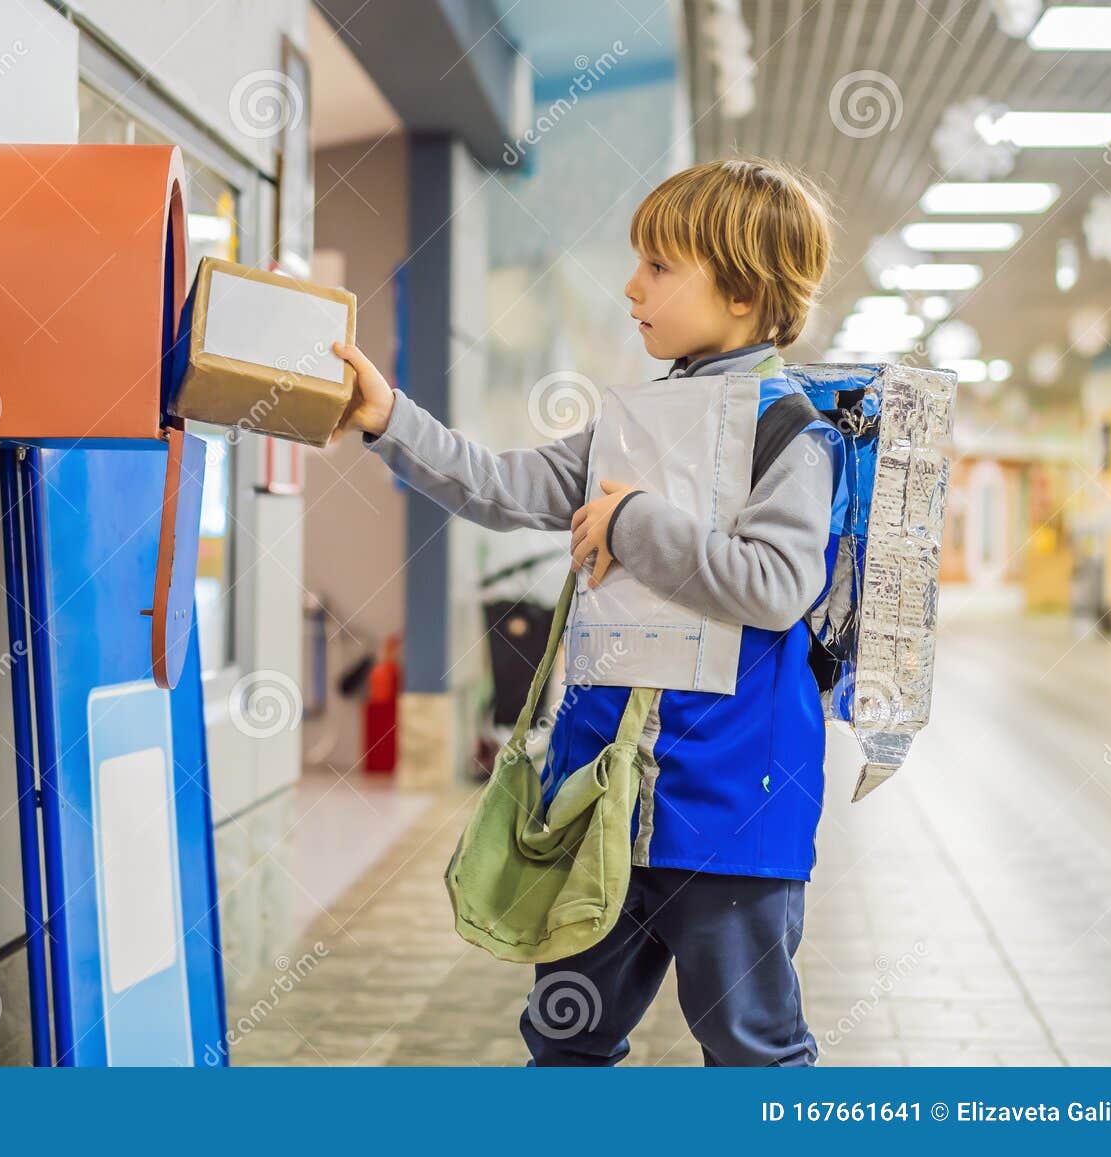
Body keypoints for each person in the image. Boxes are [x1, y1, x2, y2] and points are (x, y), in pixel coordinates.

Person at [332, 157, 843, 1067]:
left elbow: (774, 583)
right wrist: (388, 419)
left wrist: (632, 521)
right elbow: (501, 485)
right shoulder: (632, 422)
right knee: (565, 1033)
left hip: (728, 809)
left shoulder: (791, 432)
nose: (631, 285)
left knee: (749, 1042)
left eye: (659, 265)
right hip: (598, 795)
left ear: (741, 292)